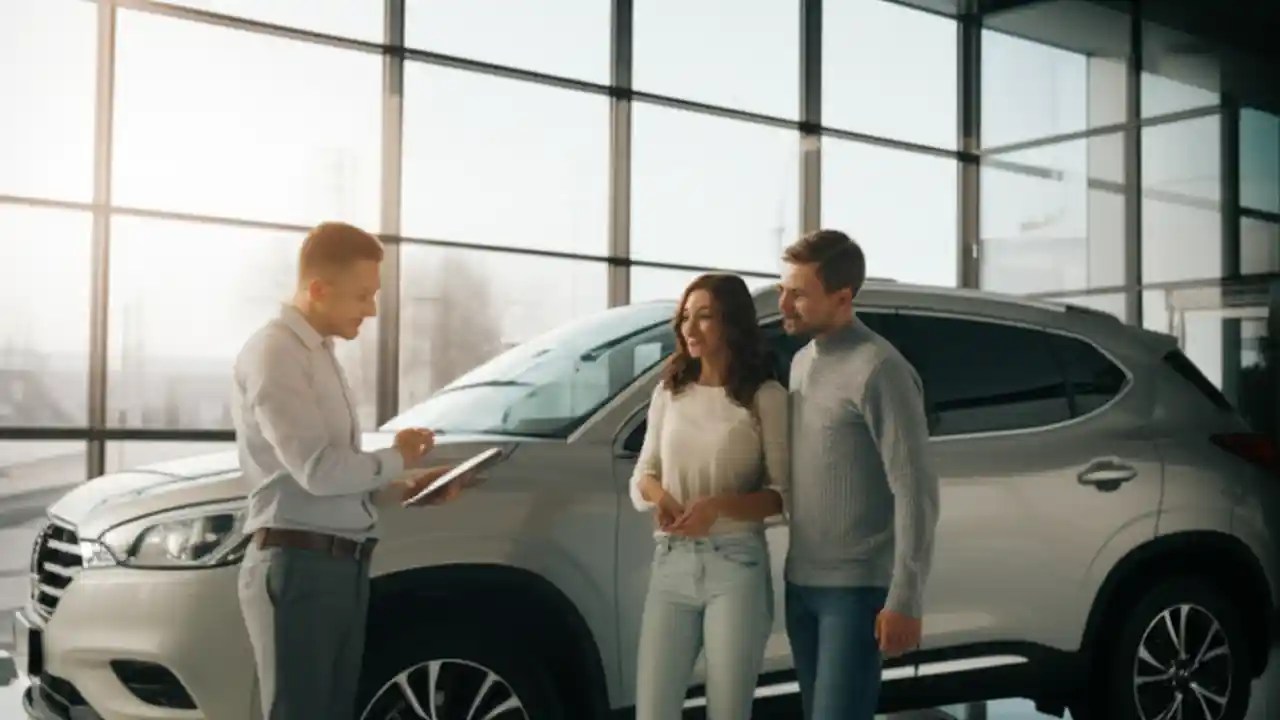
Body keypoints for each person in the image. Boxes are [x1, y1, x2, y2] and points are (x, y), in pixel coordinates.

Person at [231, 221, 467, 720]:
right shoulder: (276, 354)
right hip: (301, 568)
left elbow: (328, 479)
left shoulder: (317, 354)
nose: (373, 309)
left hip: (338, 565)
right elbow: (317, 471)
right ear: (318, 289)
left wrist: (400, 487)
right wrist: (399, 455)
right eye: (363, 295)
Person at [777, 229, 940, 719]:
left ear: (843, 298)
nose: (783, 302)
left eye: (798, 293)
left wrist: (906, 597)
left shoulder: (880, 369)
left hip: (855, 593)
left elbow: (916, 491)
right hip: (800, 584)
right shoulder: (801, 363)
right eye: (783, 288)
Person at [629, 273, 790, 720]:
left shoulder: (765, 397)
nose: (690, 329)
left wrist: (717, 509)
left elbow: (781, 496)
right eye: (685, 317)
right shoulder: (670, 391)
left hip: (736, 568)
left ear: (733, 324)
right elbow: (644, 473)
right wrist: (660, 497)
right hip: (672, 565)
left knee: (728, 713)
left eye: (705, 318)